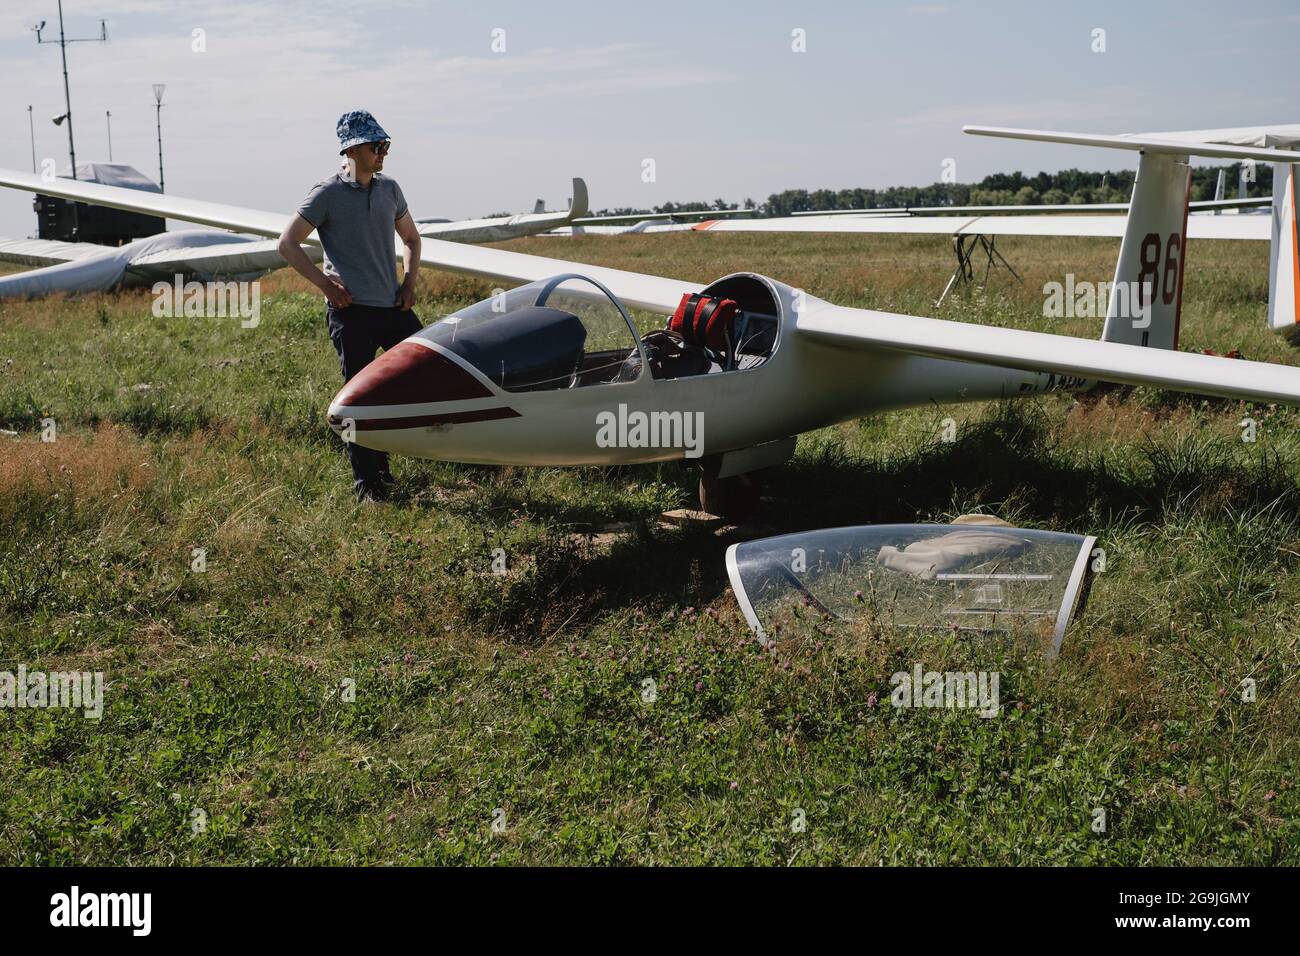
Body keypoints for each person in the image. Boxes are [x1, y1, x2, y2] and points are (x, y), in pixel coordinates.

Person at [277, 109, 423, 501]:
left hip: (394, 310)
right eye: (378, 146)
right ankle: (368, 483)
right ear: (353, 148)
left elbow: (411, 239)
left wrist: (409, 282)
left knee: (426, 370)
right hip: (351, 314)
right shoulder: (327, 194)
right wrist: (325, 284)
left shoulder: (391, 189)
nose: (384, 154)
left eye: (386, 146)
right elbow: (287, 243)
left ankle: (396, 466)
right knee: (360, 397)